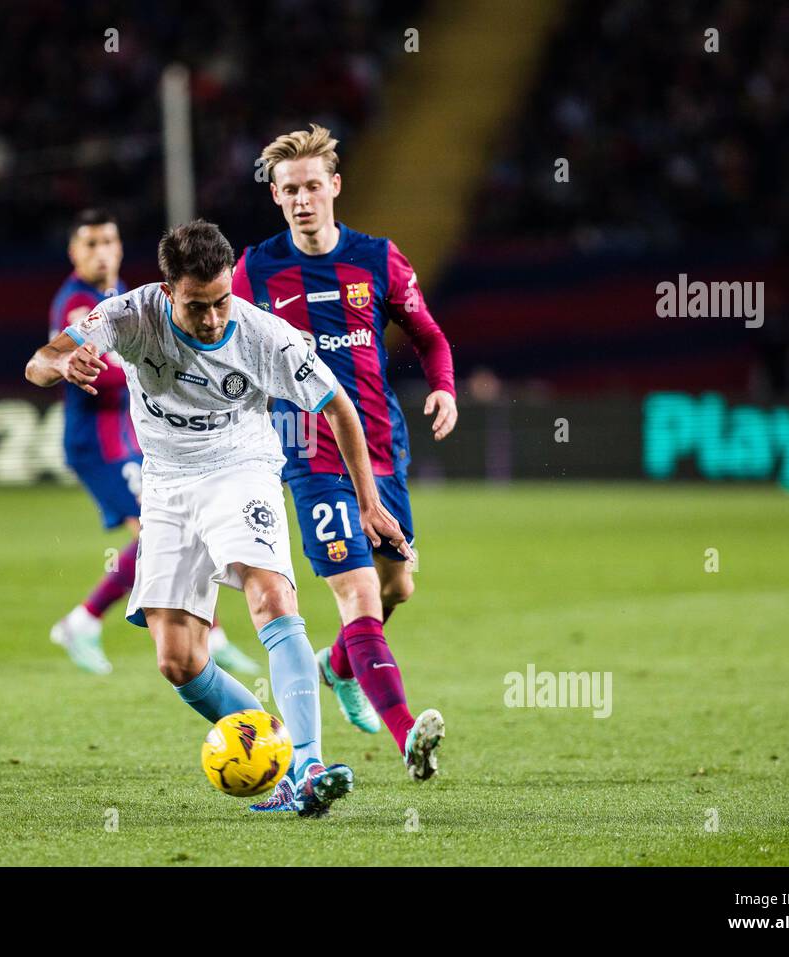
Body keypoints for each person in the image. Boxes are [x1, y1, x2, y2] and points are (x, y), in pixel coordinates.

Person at [26, 220, 411, 815]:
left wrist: (367, 502)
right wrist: (61, 366)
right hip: (166, 484)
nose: (211, 318)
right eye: (196, 306)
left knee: (271, 599)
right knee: (178, 659)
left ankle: (308, 764)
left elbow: (339, 406)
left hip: (242, 467)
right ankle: (276, 762)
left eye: (221, 300)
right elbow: (42, 358)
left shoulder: (265, 334)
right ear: (166, 290)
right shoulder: (128, 316)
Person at [233, 124, 456, 780]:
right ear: (275, 195)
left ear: (334, 186)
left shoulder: (379, 260)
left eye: (311, 187)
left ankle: (339, 665)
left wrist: (442, 388)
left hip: (383, 447)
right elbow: (225, 345)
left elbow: (430, 335)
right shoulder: (257, 269)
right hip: (307, 453)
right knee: (358, 595)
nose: (302, 199)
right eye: (288, 190)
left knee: (398, 587)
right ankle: (407, 734)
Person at [46, 209, 257, 676]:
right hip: (97, 443)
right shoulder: (78, 304)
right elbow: (94, 373)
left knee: (179, 527)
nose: (101, 252)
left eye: (108, 241)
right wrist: (152, 371)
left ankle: (212, 635)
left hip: (126, 439)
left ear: (120, 246)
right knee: (158, 532)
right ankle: (83, 620)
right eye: (91, 244)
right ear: (74, 253)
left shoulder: (116, 297)